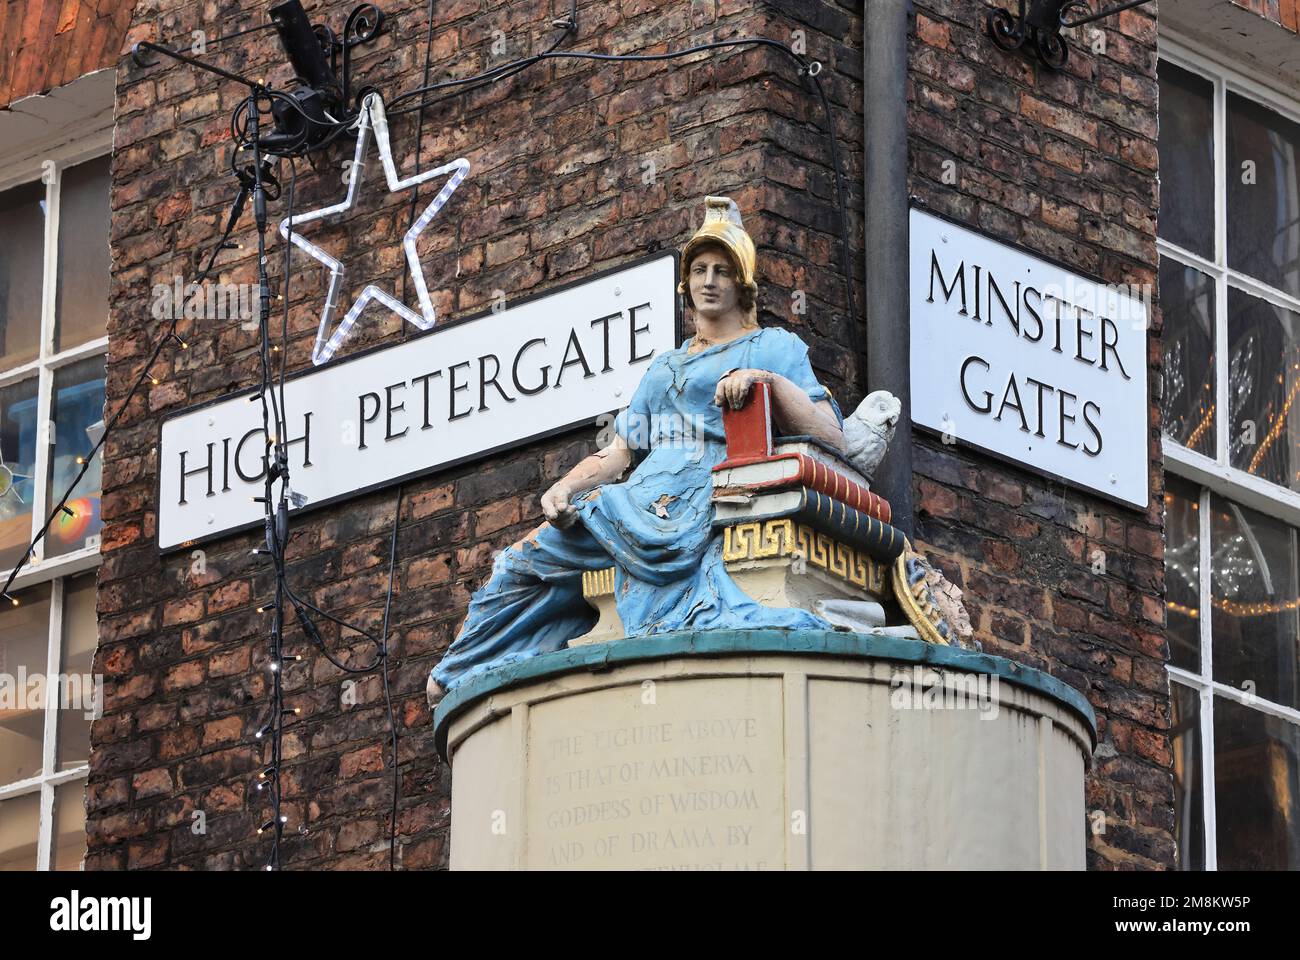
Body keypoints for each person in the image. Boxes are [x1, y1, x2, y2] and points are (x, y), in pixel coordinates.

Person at [428, 197, 845, 699]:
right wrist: (564, 487)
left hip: (699, 494)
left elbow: (831, 436)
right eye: (698, 270)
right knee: (517, 563)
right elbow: (620, 453)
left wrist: (768, 383)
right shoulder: (664, 368)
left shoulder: (772, 347)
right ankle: (466, 673)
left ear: (742, 282)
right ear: (685, 284)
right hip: (636, 494)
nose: (709, 281)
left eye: (722, 270)